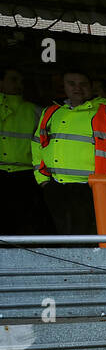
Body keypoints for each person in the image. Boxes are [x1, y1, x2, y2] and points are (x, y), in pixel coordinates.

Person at [32, 67, 106, 234]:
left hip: (94, 189)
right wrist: (43, 180)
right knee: (63, 240)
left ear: (91, 87)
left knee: (105, 239)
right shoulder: (50, 113)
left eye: (83, 84)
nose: (77, 88)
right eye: (71, 83)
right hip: (57, 187)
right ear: (64, 86)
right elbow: (38, 143)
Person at [1, 64, 53, 234]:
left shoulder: (35, 111)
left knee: (26, 225)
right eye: (13, 80)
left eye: (21, 81)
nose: (19, 84)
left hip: (26, 175)